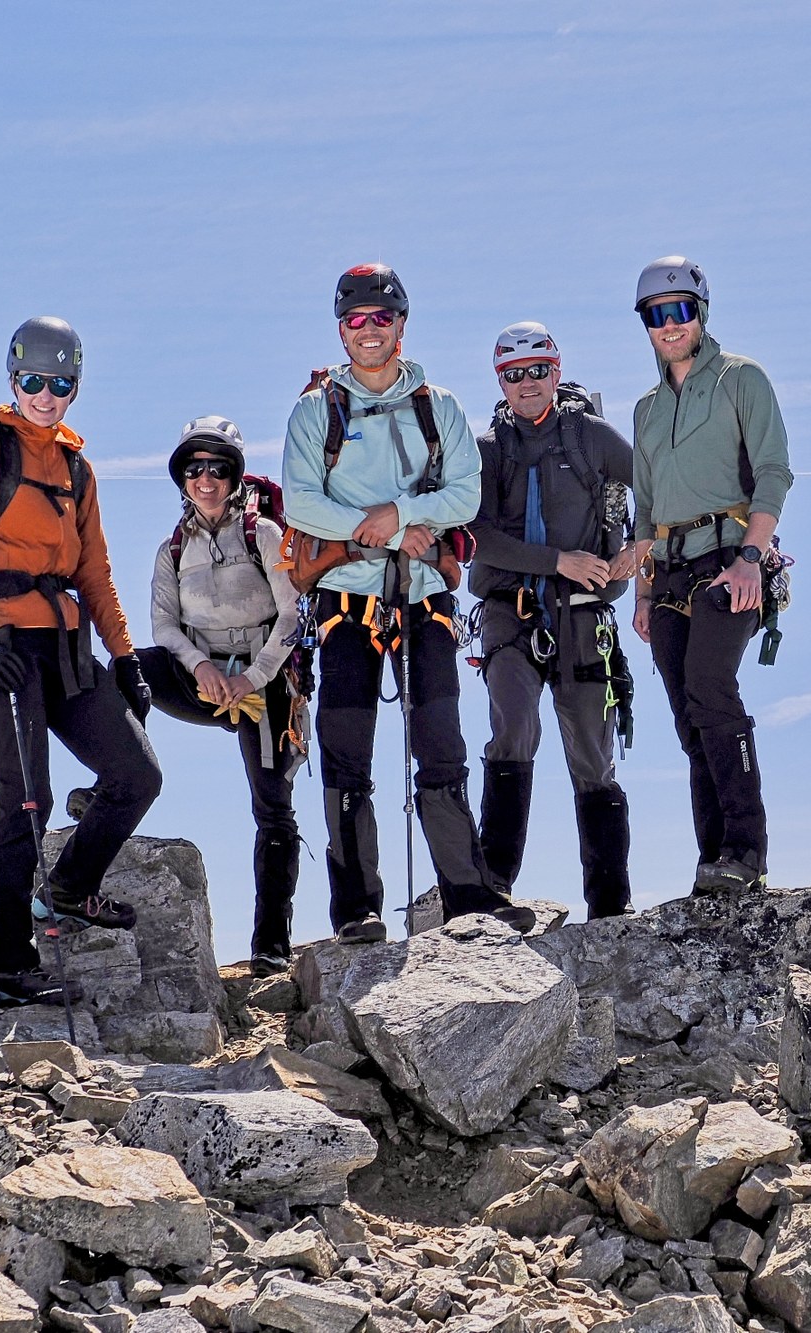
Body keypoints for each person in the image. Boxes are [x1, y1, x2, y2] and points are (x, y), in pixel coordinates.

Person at [282, 263, 533, 942]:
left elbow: (466, 497)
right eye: (356, 320)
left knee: (441, 747)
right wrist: (399, 525)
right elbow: (300, 502)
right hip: (347, 601)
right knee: (345, 753)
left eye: (381, 317)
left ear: (402, 323)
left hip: (423, 599)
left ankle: (468, 896)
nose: (369, 330)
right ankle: (357, 911)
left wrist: (394, 511)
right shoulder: (315, 411)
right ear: (341, 329)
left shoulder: (438, 405)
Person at [0, 315, 162, 1007]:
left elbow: (96, 571)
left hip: (67, 652)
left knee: (136, 773)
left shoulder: (76, 468)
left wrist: (124, 658)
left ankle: (70, 888)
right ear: (12, 377)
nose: (45, 394)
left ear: (75, 386)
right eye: (33, 380)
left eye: (61, 383)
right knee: (24, 801)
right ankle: (13, 971)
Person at [617, 257, 793, 894]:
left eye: (680, 310)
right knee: (689, 717)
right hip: (665, 575)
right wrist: (639, 592)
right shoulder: (645, 409)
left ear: (701, 311)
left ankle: (747, 851)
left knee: (710, 688)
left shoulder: (742, 379)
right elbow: (643, 507)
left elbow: (775, 473)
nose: (669, 324)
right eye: (656, 315)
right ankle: (712, 857)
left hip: (729, 563)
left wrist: (751, 558)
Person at [468, 321, 636, 919]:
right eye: (513, 375)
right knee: (513, 729)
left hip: (583, 619)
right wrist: (557, 560)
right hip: (508, 615)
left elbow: (658, 487)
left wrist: (635, 556)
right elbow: (476, 537)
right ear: (501, 382)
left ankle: (610, 908)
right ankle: (494, 889)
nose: (527, 384)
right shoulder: (486, 449)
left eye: (537, 371)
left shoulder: (592, 437)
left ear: (556, 372)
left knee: (593, 753)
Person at [135, 416, 306, 976]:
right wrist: (203, 667)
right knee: (125, 671)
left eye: (217, 468)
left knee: (273, 809)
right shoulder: (173, 548)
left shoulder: (264, 535)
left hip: (267, 681)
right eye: (194, 468)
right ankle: (115, 780)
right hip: (202, 677)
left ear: (234, 475)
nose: (204, 479)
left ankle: (271, 946)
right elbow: (164, 627)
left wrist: (251, 679)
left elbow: (291, 616)